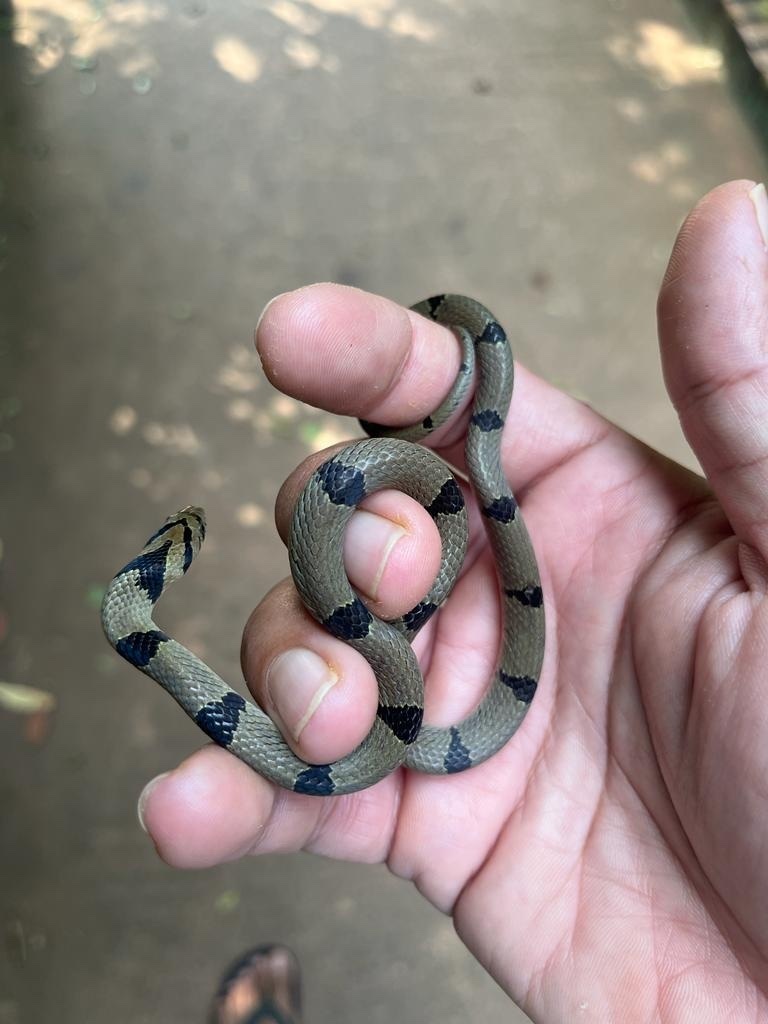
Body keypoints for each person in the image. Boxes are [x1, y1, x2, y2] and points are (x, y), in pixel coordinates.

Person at [140, 180, 768, 1022]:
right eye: (183, 535)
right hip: (434, 679)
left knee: (353, 618)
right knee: (350, 630)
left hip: (441, 660)